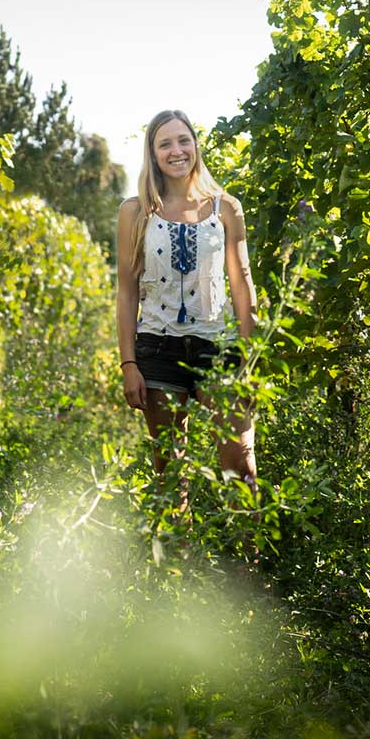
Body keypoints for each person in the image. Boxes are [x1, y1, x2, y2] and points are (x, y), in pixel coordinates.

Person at [116, 109, 258, 502]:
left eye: (183, 140)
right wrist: (129, 365)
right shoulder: (135, 212)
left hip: (218, 347)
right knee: (170, 473)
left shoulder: (225, 208)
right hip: (158, 347)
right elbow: (126, 292)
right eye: (165, 144)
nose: (176, 150)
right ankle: (178, 562)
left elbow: (243, 286)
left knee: (241, 466)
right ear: (153, 154)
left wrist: (249, 361)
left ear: (195, 146)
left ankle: (247, 562)